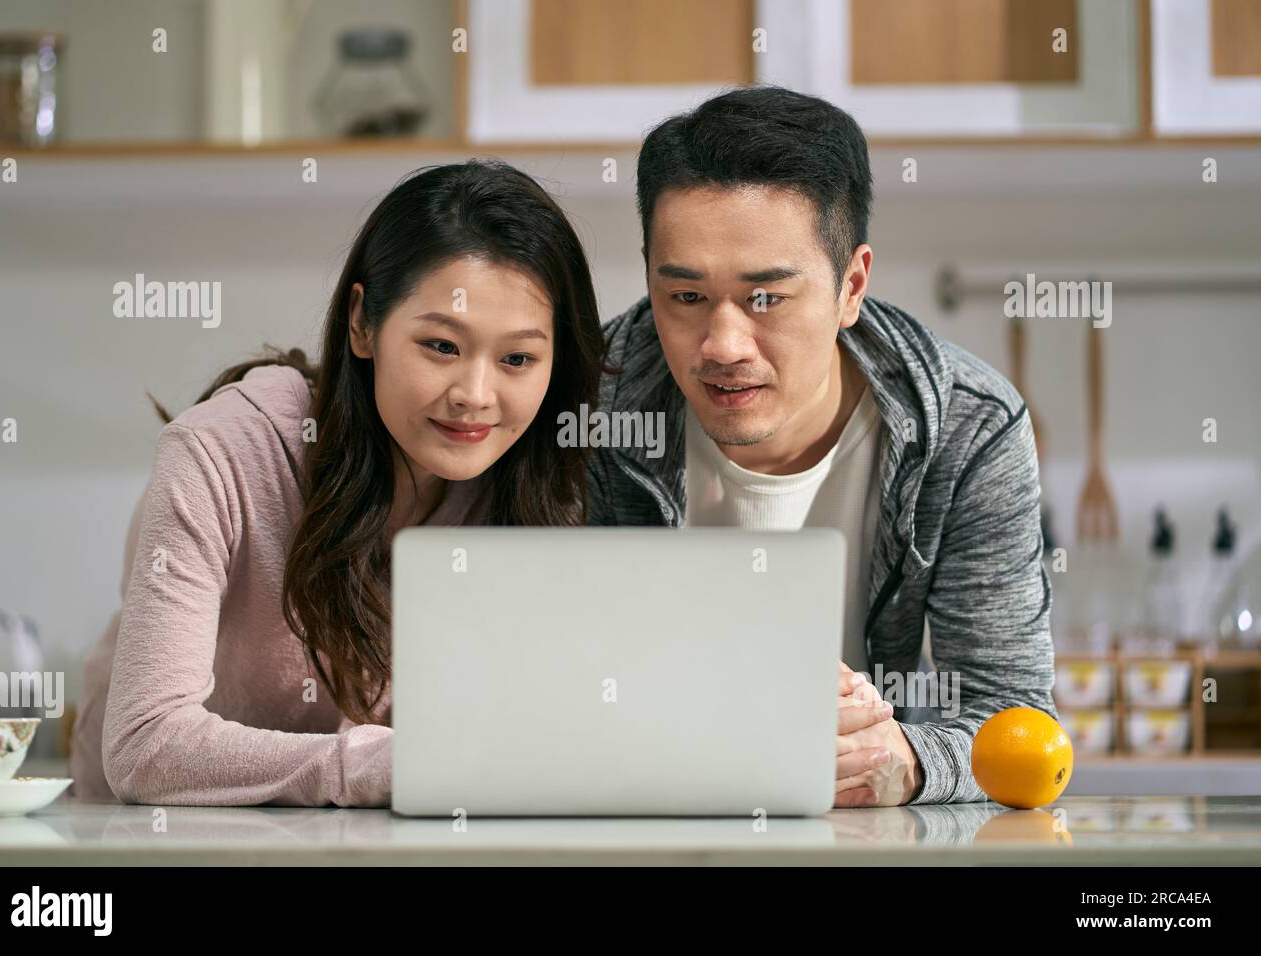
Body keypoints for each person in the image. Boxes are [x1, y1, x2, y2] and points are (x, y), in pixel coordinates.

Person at [70, 160, 606, 806]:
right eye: (441, 346)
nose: (475, 396)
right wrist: (386, 765)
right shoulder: (222, 451)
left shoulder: (527, 484)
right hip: (138, 840)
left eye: (518, 359)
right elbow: (145, 747)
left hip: (347, 839)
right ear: (362, 323)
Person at [587, 86, 1057, 806]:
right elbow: (544, 688)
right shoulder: (586, 402)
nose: (722, 345)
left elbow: (1014, 720)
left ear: (851, 286)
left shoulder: (969, 429)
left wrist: (912, 759)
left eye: (766, 297)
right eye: (684, 297)